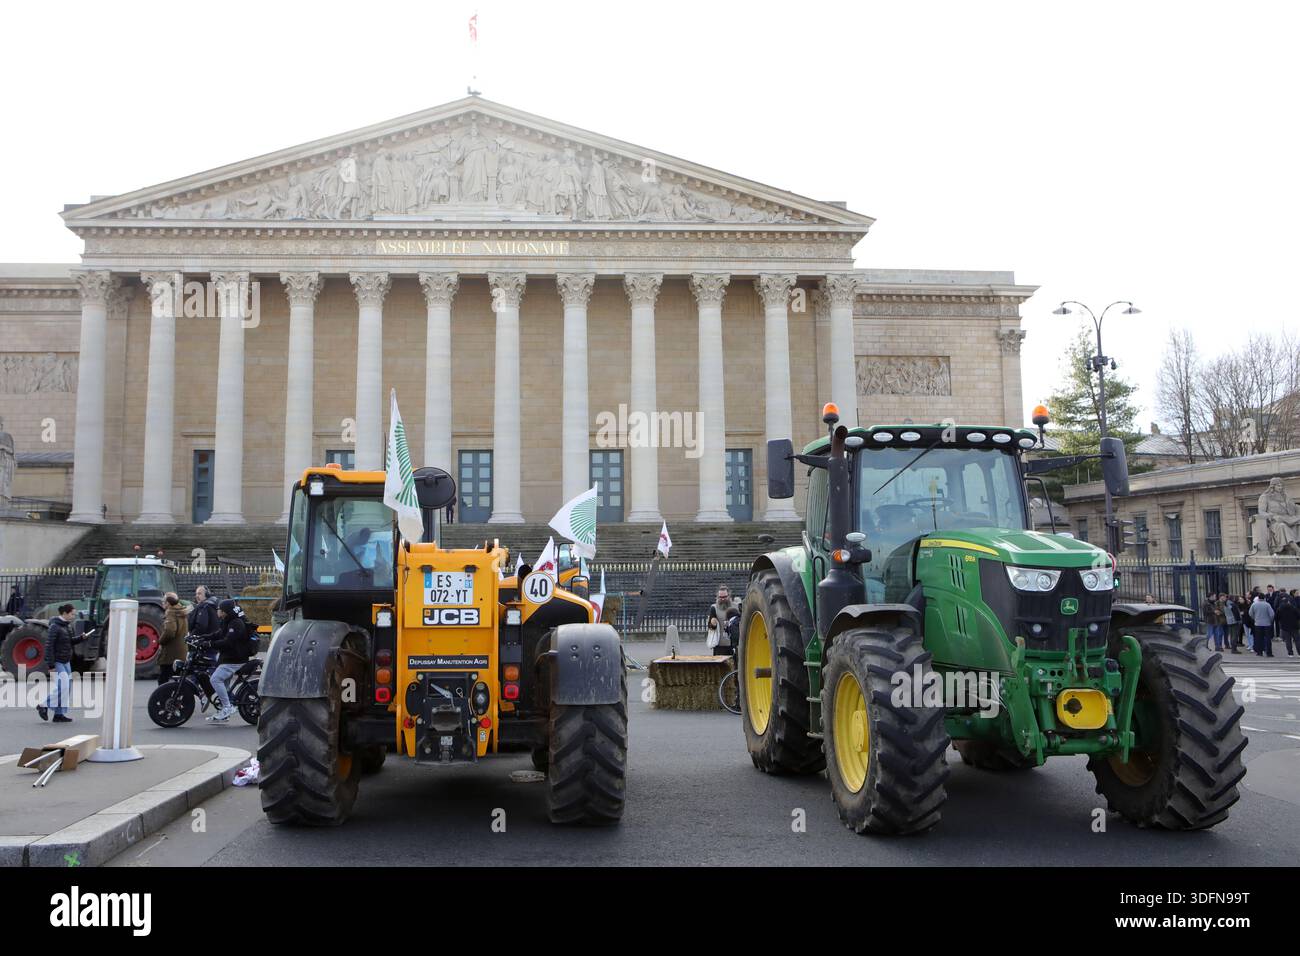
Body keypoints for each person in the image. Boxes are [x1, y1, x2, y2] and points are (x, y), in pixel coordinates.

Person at [204, 600, 252, 722]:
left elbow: (228, 642)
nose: (217, 611)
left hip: (235, 659)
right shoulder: (228, 620)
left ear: (224, 611)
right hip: (229, 658)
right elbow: (219, 634)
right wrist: (202, 637)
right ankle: (224, 712)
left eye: (219, 609)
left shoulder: (236, 623)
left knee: (215, 679)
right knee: (224, 684)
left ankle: (227, 707)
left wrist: (210, 644)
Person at [36, 604, 83, 723]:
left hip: (66, 661)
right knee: (64, 686)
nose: (74, 616)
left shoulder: (67, 626)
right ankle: (43, 705)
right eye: (72, 614)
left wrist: (81, 638)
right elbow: (49, 646)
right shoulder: (55, 626)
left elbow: (70, 642)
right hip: (57, 662)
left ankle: (59, 714)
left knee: (67, 687)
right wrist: (51, 665)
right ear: (65, 613)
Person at [157, 591, 189, 684]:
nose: (162, 603)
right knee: (178, 679)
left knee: (163, 679)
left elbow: (170, 631)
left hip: (170, 653)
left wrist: (161, 641)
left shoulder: (171, 612)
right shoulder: (181, 611)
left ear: (168, 603)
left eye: (164, 601)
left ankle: (162, 697)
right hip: (181, 651)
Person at [706, 585, 740, 653]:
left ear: (729, 595)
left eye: (725, 597)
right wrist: (712, 624)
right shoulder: (714, 608)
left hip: (734, 645)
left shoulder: (736, 607)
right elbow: (710, 627)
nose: (723, 599)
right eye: (720, 597)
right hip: (719, 645)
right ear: (717, 597)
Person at [1277, 592, 1300, 657]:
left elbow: (1277, 617)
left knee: (1288, 641)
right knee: (1297, 640)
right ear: (1288, 602)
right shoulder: (1293, 608)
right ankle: (1299, 653)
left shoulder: (1280, 609)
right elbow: (1298, 616)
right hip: (1294, 626)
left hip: (1285, 627)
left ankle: (1290, 653)